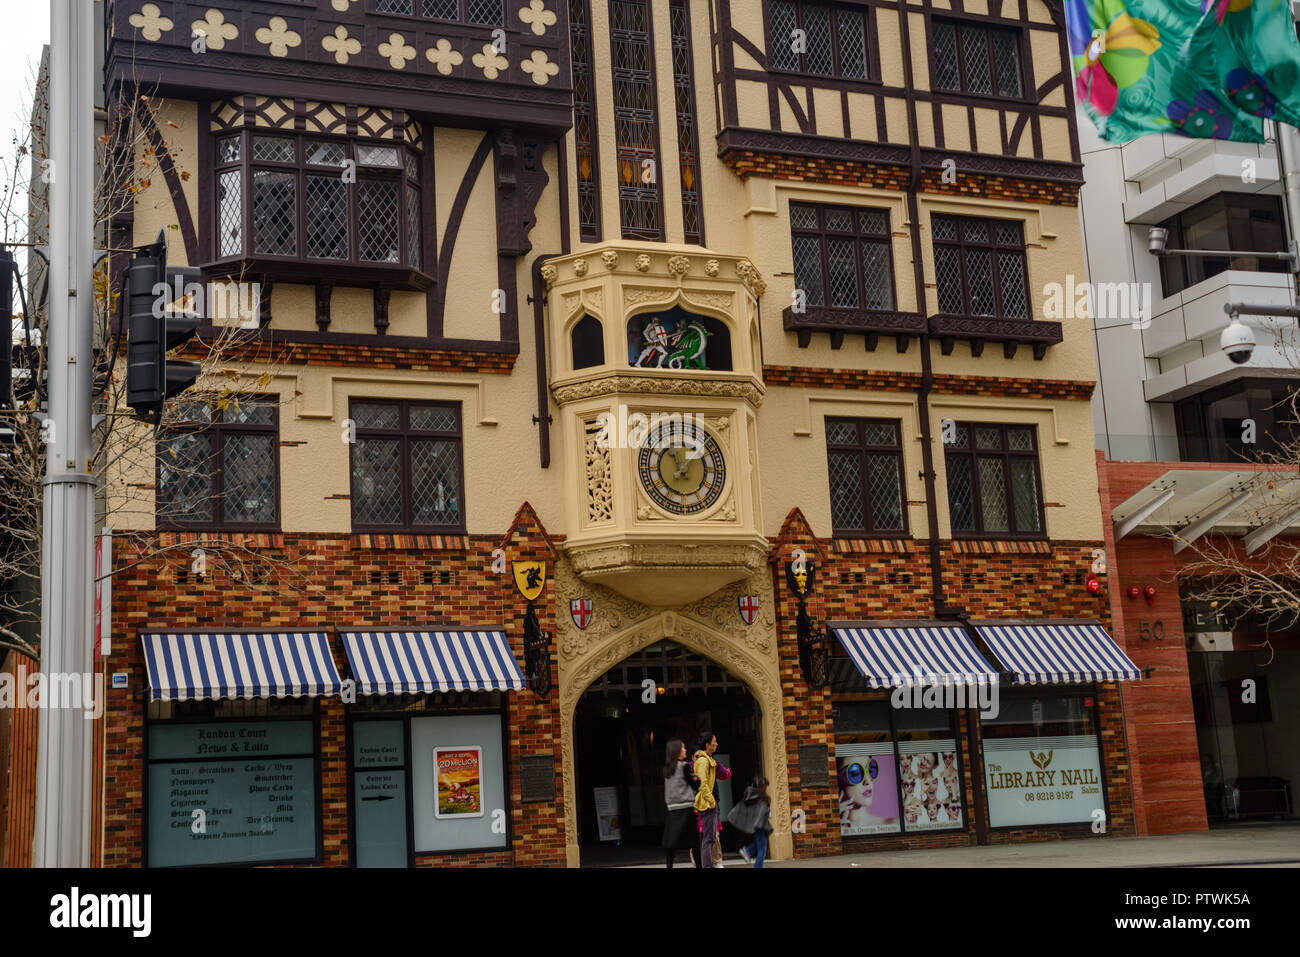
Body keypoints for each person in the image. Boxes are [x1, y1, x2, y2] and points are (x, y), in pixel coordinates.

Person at [661, 738, 696, 868]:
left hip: (672, 810)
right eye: (683, 748)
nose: (685, 750)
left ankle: (669, 866)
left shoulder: (667, 769)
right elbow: (694, 784)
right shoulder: (685, 766)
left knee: (670, 844)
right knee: (694, 842)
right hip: (687, 808)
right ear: (677, 751)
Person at [727, 775, 772, 868]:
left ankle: (747, 851)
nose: (767, 789)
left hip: (754, 826)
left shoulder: (751, 797)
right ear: (763, 787)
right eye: (766, 786)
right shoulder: (764, 798)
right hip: (760, 826)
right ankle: (752, 859)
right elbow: (764, 813)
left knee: (760, 844)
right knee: (762, 849)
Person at [692, 731, 720, 869]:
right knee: (708, 839)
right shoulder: (703, 761)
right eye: (714, 741)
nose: (716, 743)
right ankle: (708, 866)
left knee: (710, 838)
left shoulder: (706, 759)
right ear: (707, 744)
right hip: (707, 804)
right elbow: (703, 784)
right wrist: (712, 802)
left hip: (708, 803)